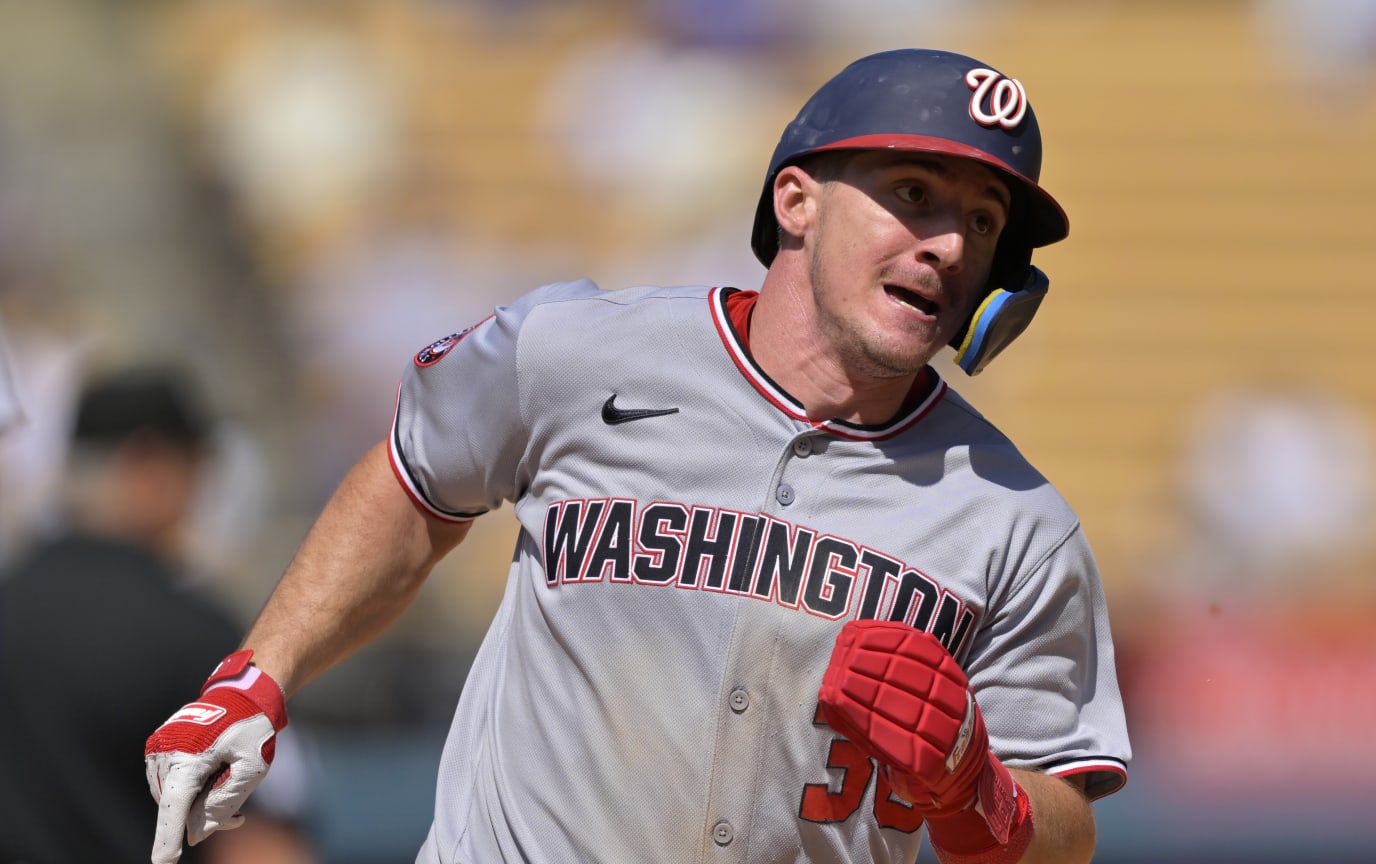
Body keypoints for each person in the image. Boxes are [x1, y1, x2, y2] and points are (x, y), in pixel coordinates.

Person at [145, 48, 1131, 864]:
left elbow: (1068, 823)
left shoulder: (1017, 523)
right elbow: (413, 486)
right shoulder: (573, 353)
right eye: (914, 194)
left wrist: (981, 792)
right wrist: (258, 677)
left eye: (982, 223)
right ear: (796, 201)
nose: (949, 245)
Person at [0, 367, 239, 863]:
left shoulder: (9, 600)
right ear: (149, 465)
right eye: (196, 467)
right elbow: (256, 845)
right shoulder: (194, 635)